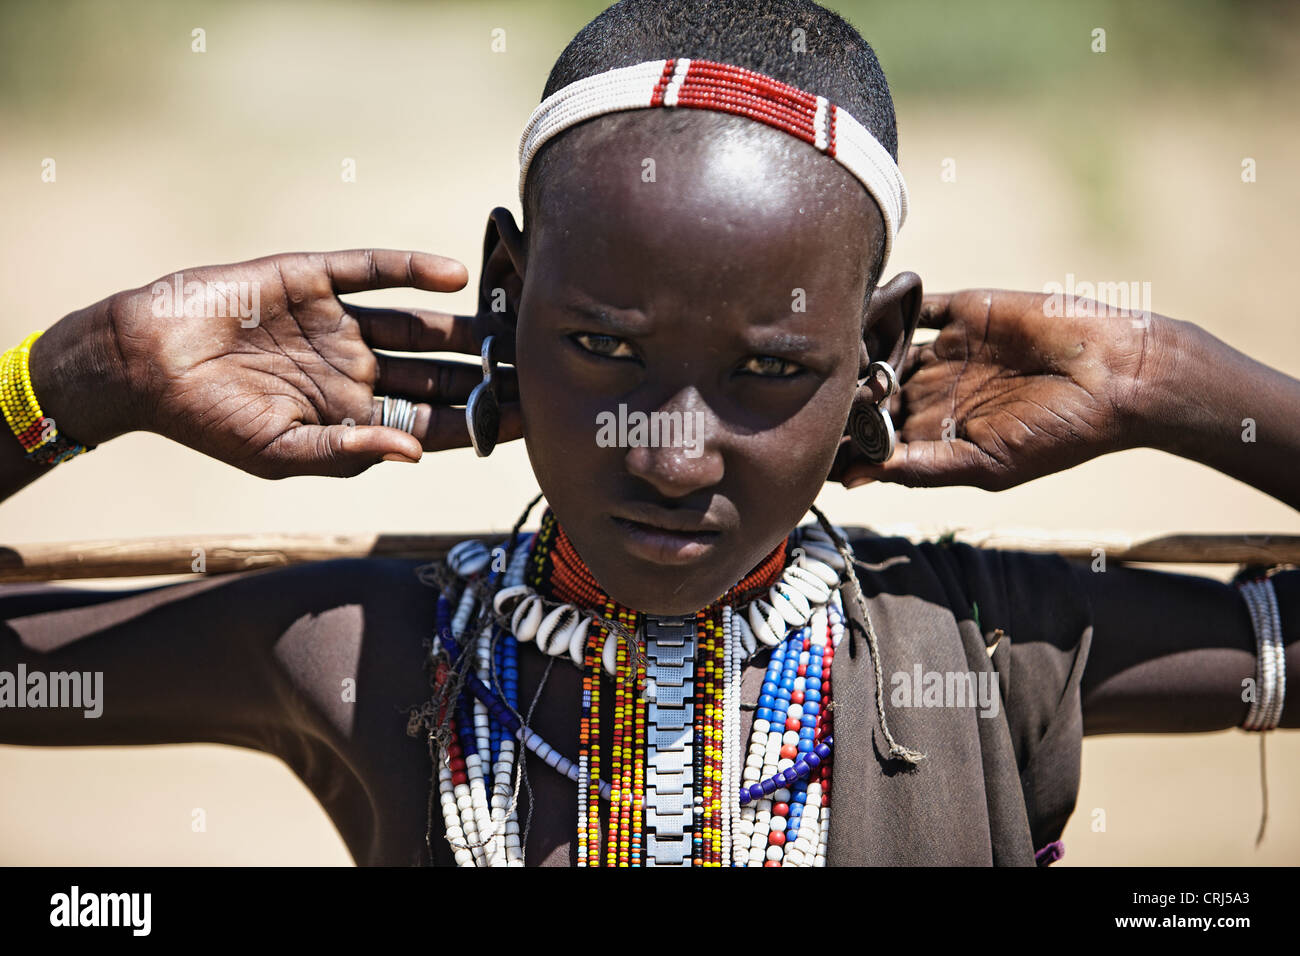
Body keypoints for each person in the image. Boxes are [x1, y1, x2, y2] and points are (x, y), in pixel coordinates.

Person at [1, 0, 1297, 867]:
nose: (674, 455)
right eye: (604, 347)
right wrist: (80, 375)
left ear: (874, 351)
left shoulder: (986, 650)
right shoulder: (370, 653)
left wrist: (1160, 376)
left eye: (772, 369)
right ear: (508, 297)